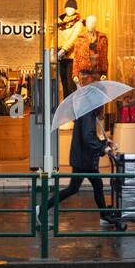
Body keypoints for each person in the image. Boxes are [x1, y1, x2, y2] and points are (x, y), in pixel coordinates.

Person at [39, 66, 111, 225]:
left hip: (82, 157)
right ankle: (43, 208)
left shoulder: (88, 110)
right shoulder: (88, 113)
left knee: (91, 186)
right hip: (84, 159)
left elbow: (89, 135)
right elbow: (87, 136)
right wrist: (103, 147)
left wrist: (104, 142)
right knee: (81, 188)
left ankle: (104, 215)